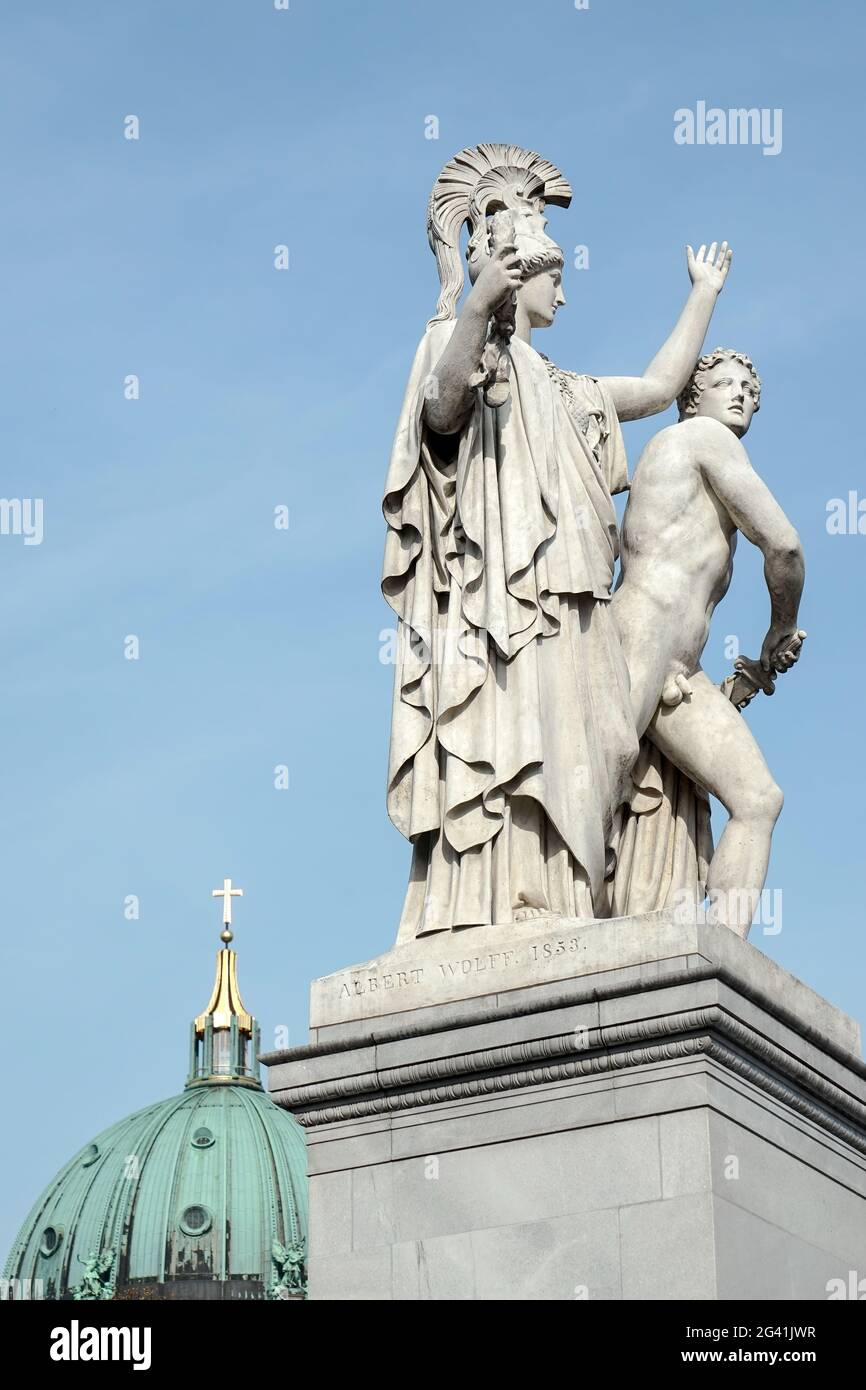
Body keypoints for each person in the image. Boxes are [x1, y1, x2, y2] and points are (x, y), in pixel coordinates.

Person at [383, 143, 731, 939]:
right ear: (518, 277)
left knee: (570, 752)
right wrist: (475, 305)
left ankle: (559, 899)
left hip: (575, 602)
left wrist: (703, 296)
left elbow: (662, 387)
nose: (564, 297)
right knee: (505, 738)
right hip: (496, 604)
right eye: (555, 278)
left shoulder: (570, 389)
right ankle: (486, 905)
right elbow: (440, 414)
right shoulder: (459, 341)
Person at [612, 348, 805, 936]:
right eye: (726, 383)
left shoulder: (697, 454)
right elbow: (784, 546)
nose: (742, 393)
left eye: (751, 387)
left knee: (757, 799)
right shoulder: (702, 437)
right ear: (693, 398)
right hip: (638, 637)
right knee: (597, 791)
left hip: (680, 666)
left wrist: (744, 678)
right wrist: (780, 626)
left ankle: (720, 956)